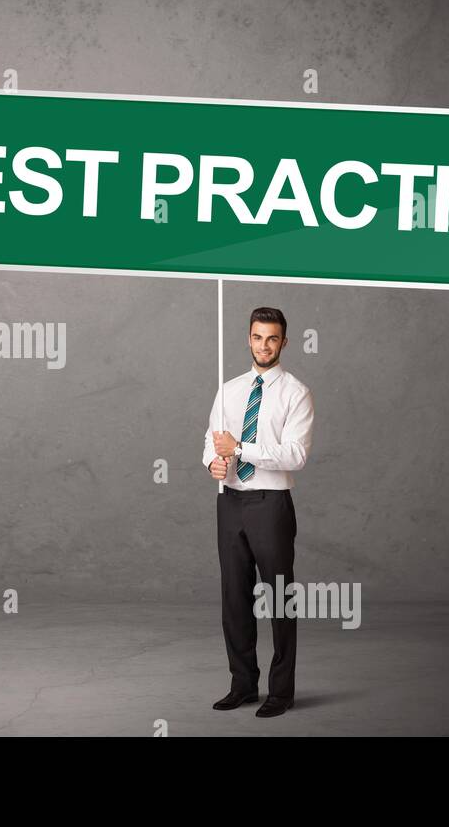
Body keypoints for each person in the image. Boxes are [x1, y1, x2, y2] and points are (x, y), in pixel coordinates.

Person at [203, 306, 315, 717]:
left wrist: (240, 449)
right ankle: (243, 685)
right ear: (248, 338)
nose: (263, 345)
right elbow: (212, 441)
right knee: (234, 599)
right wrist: (213, 463)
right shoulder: (229, 390)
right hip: (230, 503)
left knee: (280, 599)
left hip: (271, 505)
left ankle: (280, 692)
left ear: (283, 342)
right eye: (257, 337)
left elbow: (295, 455)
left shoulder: (295, 392)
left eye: (272, 338)